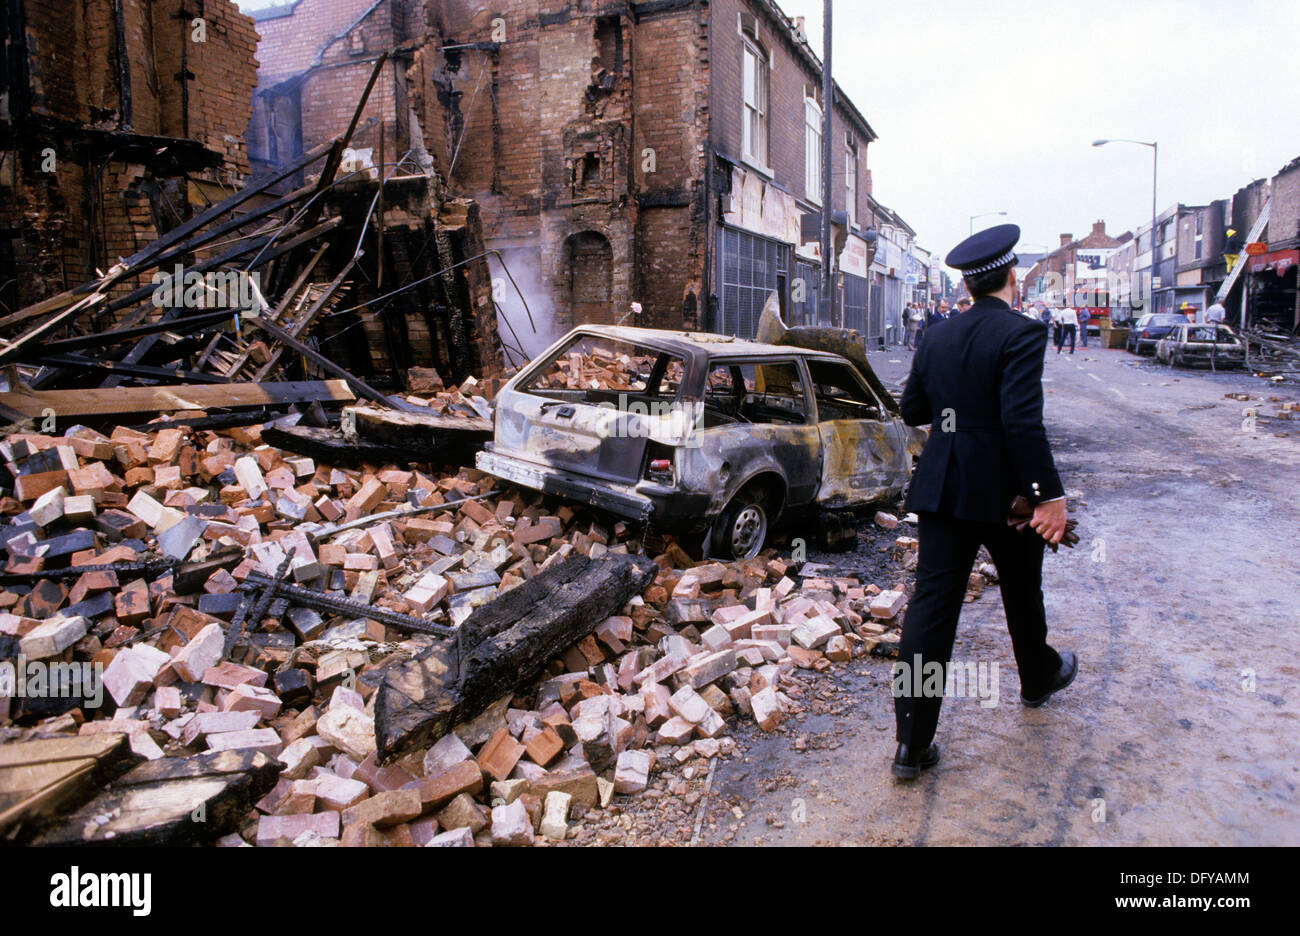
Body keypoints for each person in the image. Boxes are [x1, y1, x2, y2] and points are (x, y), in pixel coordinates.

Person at [892, 222, 1077, 779]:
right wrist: (1049, 497)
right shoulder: (1023, 332)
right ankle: (1037, 679)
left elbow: (912, 410)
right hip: (1005, 491)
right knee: (1023, 589)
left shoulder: (938, 334)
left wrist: (958, 420)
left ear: (968, 286)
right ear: (1012, 277)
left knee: (930, 609)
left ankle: (911, 745)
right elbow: (1022, 422)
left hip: (944, 485)